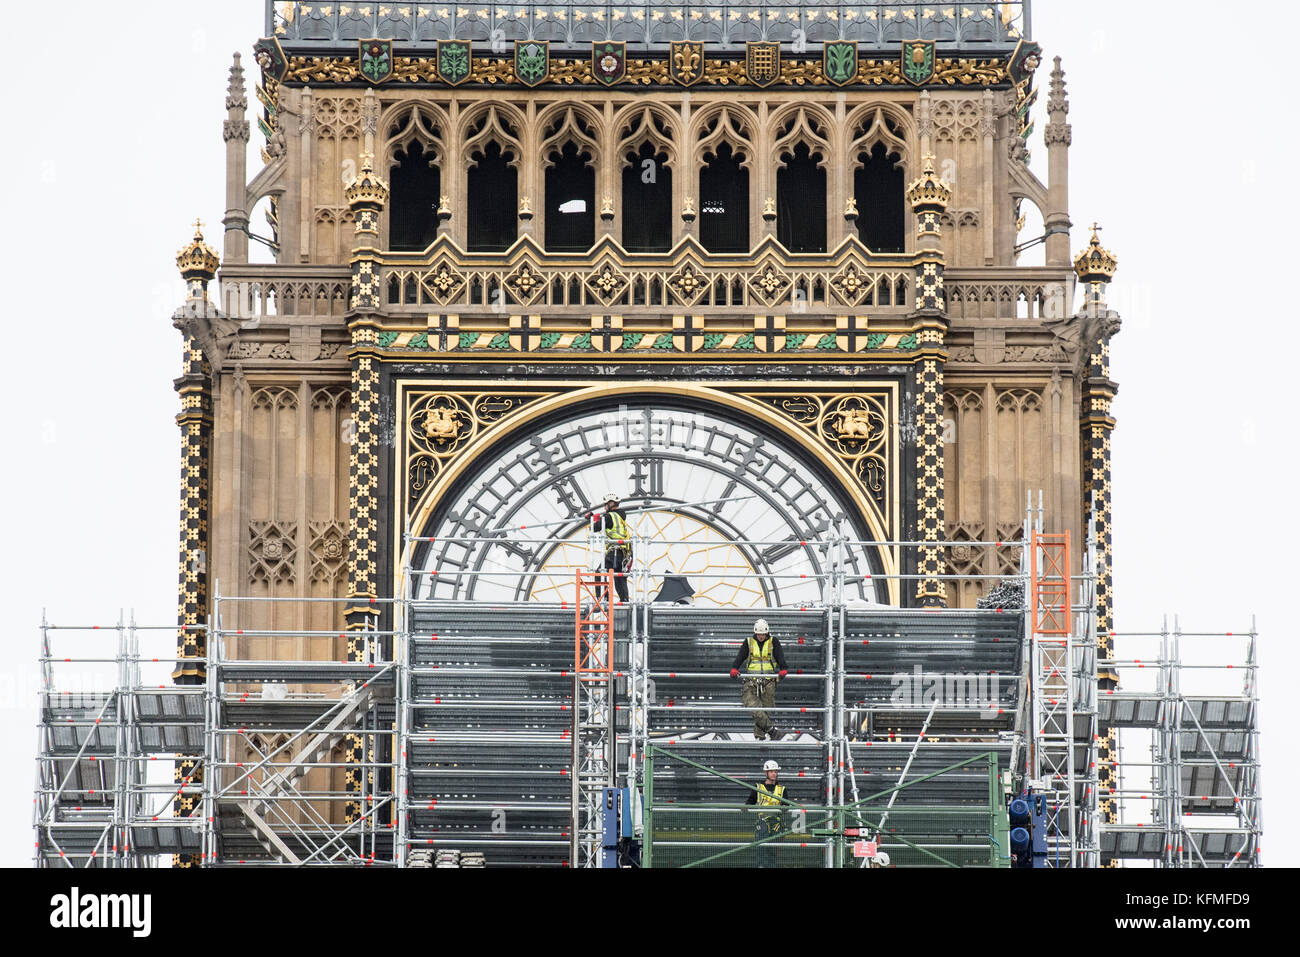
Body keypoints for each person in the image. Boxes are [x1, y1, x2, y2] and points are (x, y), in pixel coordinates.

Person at [729, 618, 789, 740]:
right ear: (755, 633)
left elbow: (780, 656)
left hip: (768, 681)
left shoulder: (773, 642)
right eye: (759, 634)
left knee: (765, 711)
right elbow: (741, 656)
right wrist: (734, 668)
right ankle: (772, 732)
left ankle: (760, 737)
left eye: (763, 634)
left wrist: (783, 668)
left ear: (767, 633)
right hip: (751, 681)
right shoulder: (749, 642)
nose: (761, 636)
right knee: (754, 708)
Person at [744, 759, 788, 867]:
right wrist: (744, 807)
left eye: (775, 771)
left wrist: (785, 808)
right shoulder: (758, 788)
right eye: (772, 771)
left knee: (773, 850)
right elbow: (750, 801)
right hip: (762, 822)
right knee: (761, 848)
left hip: (776, 824)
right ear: (766, 773)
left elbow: (786, 806)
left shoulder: (782, 789)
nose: (774, 774)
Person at [592, 491, 632, 604]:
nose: (605, 507)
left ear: (611, 503)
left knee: (600, 573)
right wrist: (600, 518)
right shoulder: (620, 517)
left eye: (606, 505)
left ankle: (604, 599)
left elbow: (595, 528)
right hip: (623, 553)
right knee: (619, 577)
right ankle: (624, 601)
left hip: (614, 552)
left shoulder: (609, 516)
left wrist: (592, 519)